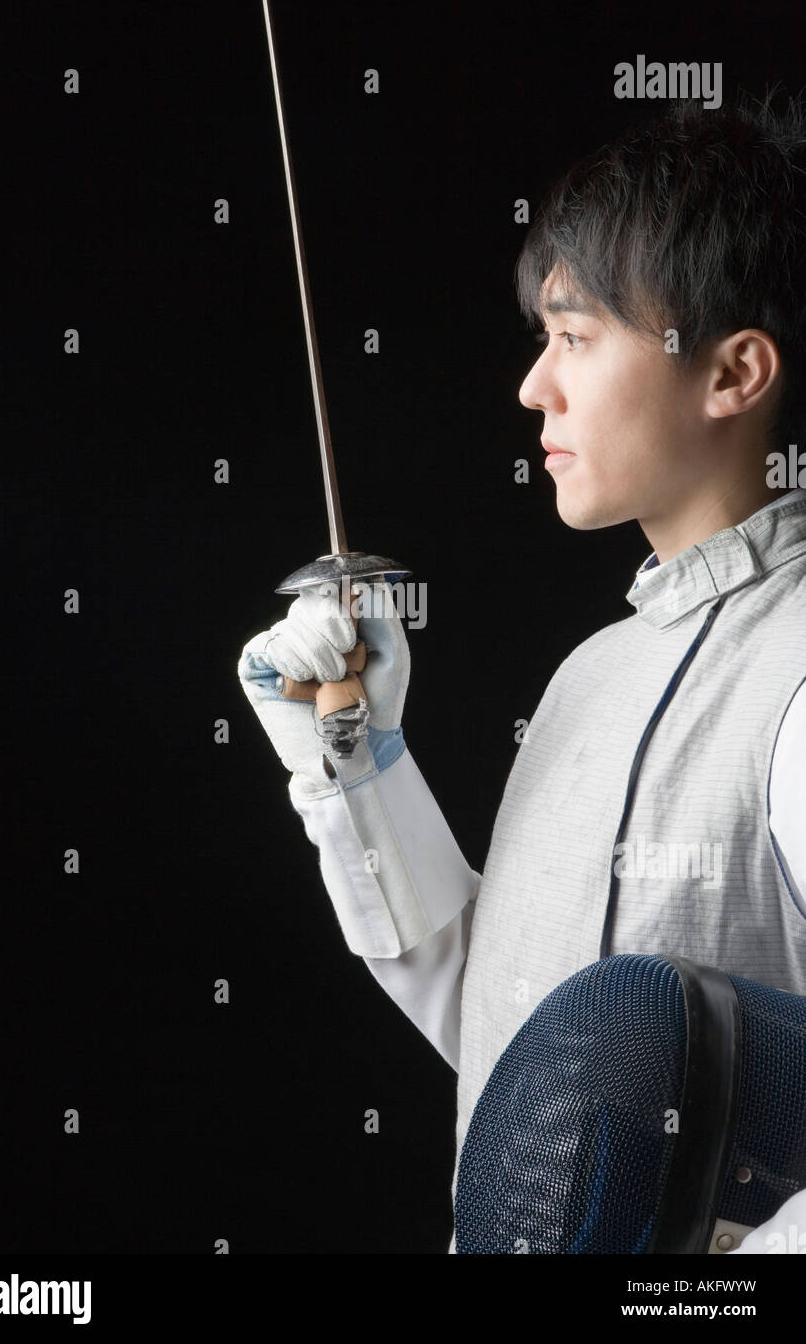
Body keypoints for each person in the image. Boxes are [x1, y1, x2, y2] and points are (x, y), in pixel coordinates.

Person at [238, 88, 806, 1255]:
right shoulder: (590, 675)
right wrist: (354, 766)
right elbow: (521, 1053)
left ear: (731, 372)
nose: (531, 387)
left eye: (574, 337)